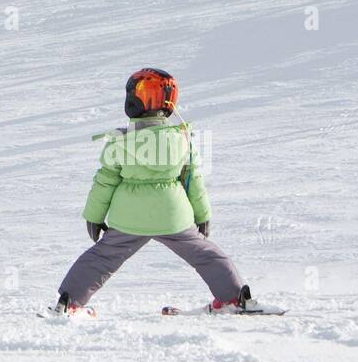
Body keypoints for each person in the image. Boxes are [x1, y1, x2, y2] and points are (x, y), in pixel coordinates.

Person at [51, 68, 265, 316]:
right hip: (173, 216)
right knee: (205, 255)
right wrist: (202, 215)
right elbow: (192, 179)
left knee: (102, 258)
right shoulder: (182, 138)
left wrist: (94, 216)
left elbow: (104, 182)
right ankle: (234, 298)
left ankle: (69, 302)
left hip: (129, 219)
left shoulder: (120, 141)